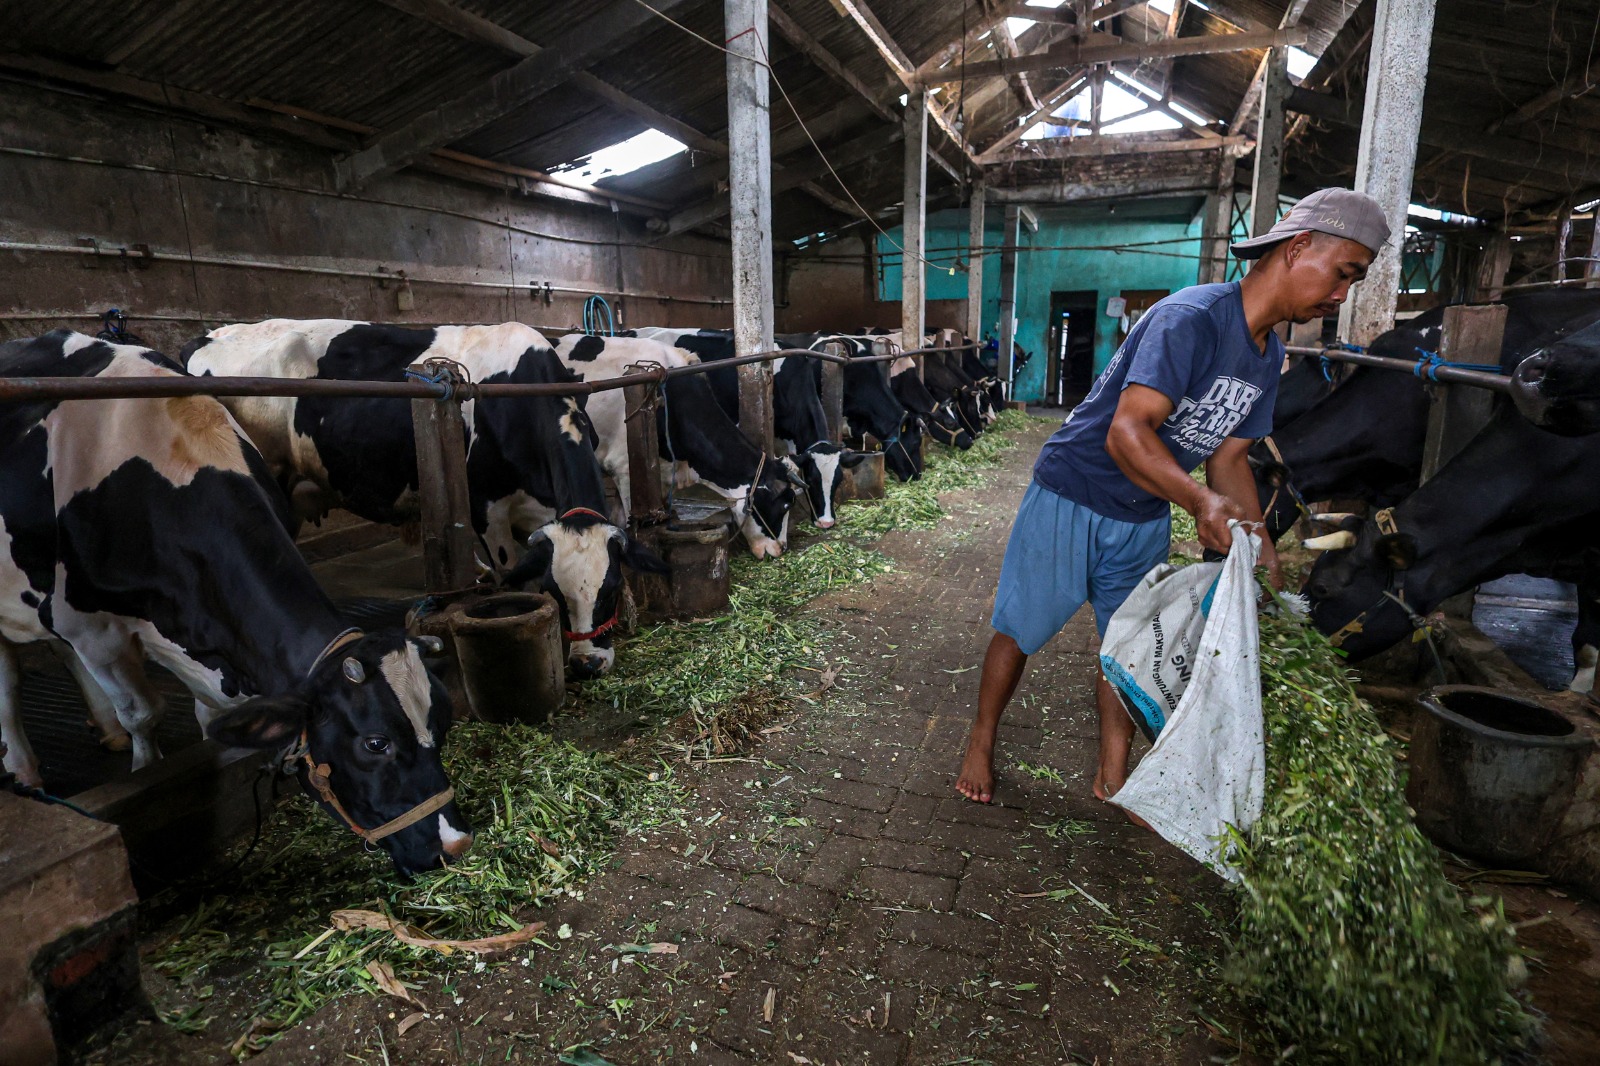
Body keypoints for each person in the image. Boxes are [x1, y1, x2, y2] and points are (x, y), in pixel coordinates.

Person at [955, 187, 1388, 807]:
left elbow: (1228, 458)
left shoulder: (1268, 357)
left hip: (1144, 512)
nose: (1342, 294)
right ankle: (981, 738)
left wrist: (1259, 542)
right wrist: (1200, 503)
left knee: (1128, 649)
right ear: (1297, 249)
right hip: (1073, 492)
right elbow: (1127, 431)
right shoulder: (1192, 318)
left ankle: (1113, 775)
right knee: (1020, 630)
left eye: (1353, 281)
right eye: (1343, 274)